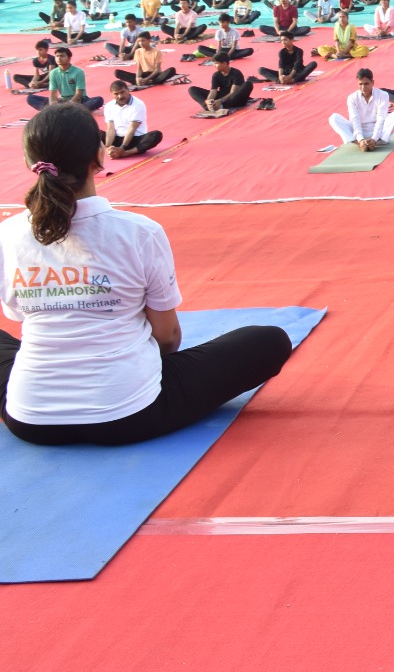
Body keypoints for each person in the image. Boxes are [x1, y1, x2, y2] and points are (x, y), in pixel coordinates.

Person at [0, 102, 293, 446]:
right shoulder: (139, 232)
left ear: (27, 162)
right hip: (129, 415)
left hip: (30, 419)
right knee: (268, 341)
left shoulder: (8, 233)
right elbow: (167, 338)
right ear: (99, 156)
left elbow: (19, 315)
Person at [329, 69, 394, 150]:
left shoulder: (382, 95)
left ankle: (374, 143)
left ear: (372, 82)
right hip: (359, 132)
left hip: (379, 134)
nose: (363, 87)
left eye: (366, 84)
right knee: (333, 118)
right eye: (360, 84)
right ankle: (360, 143)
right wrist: (360, 139)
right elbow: (354, 120)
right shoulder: (352, 97)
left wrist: (374, 139)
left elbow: (381, 118)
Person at [99, 81, 163, 158]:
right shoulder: (109, 106)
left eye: (122, 92)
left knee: (156, 135)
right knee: (93, 132)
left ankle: (126, 153)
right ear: (112, 94)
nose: (120, 96)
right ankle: (114, 151)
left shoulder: (138, 104)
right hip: (117, 139)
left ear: (128, 90)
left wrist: (122, 148)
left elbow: (132, 129)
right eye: (116, 94)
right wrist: (108, 147)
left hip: (135, 140)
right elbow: (110, 129)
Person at [188, 53, 254, 115]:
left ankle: (222, 106)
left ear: (224, 64)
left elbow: (232, 92)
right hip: (222, 96)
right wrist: (208, 101)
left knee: (248, 83)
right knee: (192, 89)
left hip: (234, 98)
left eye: (216, 63)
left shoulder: (236, 73)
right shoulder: (216, 75)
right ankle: (208, 107)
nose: (214, 66)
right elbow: (213, 91)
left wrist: (221, 101)